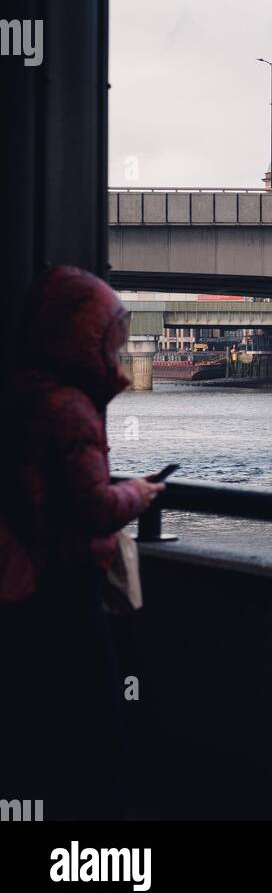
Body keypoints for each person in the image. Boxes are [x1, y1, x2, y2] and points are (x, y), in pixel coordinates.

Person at [0, 265, 164, 819]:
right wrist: (138, 496)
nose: (116, 350)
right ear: (86, 338)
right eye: (110, 338)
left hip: (28, 586)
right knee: (97, 730)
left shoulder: (22, 392)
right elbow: (92, 506)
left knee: (41, 734)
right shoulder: (70, 406)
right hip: (67, 585)